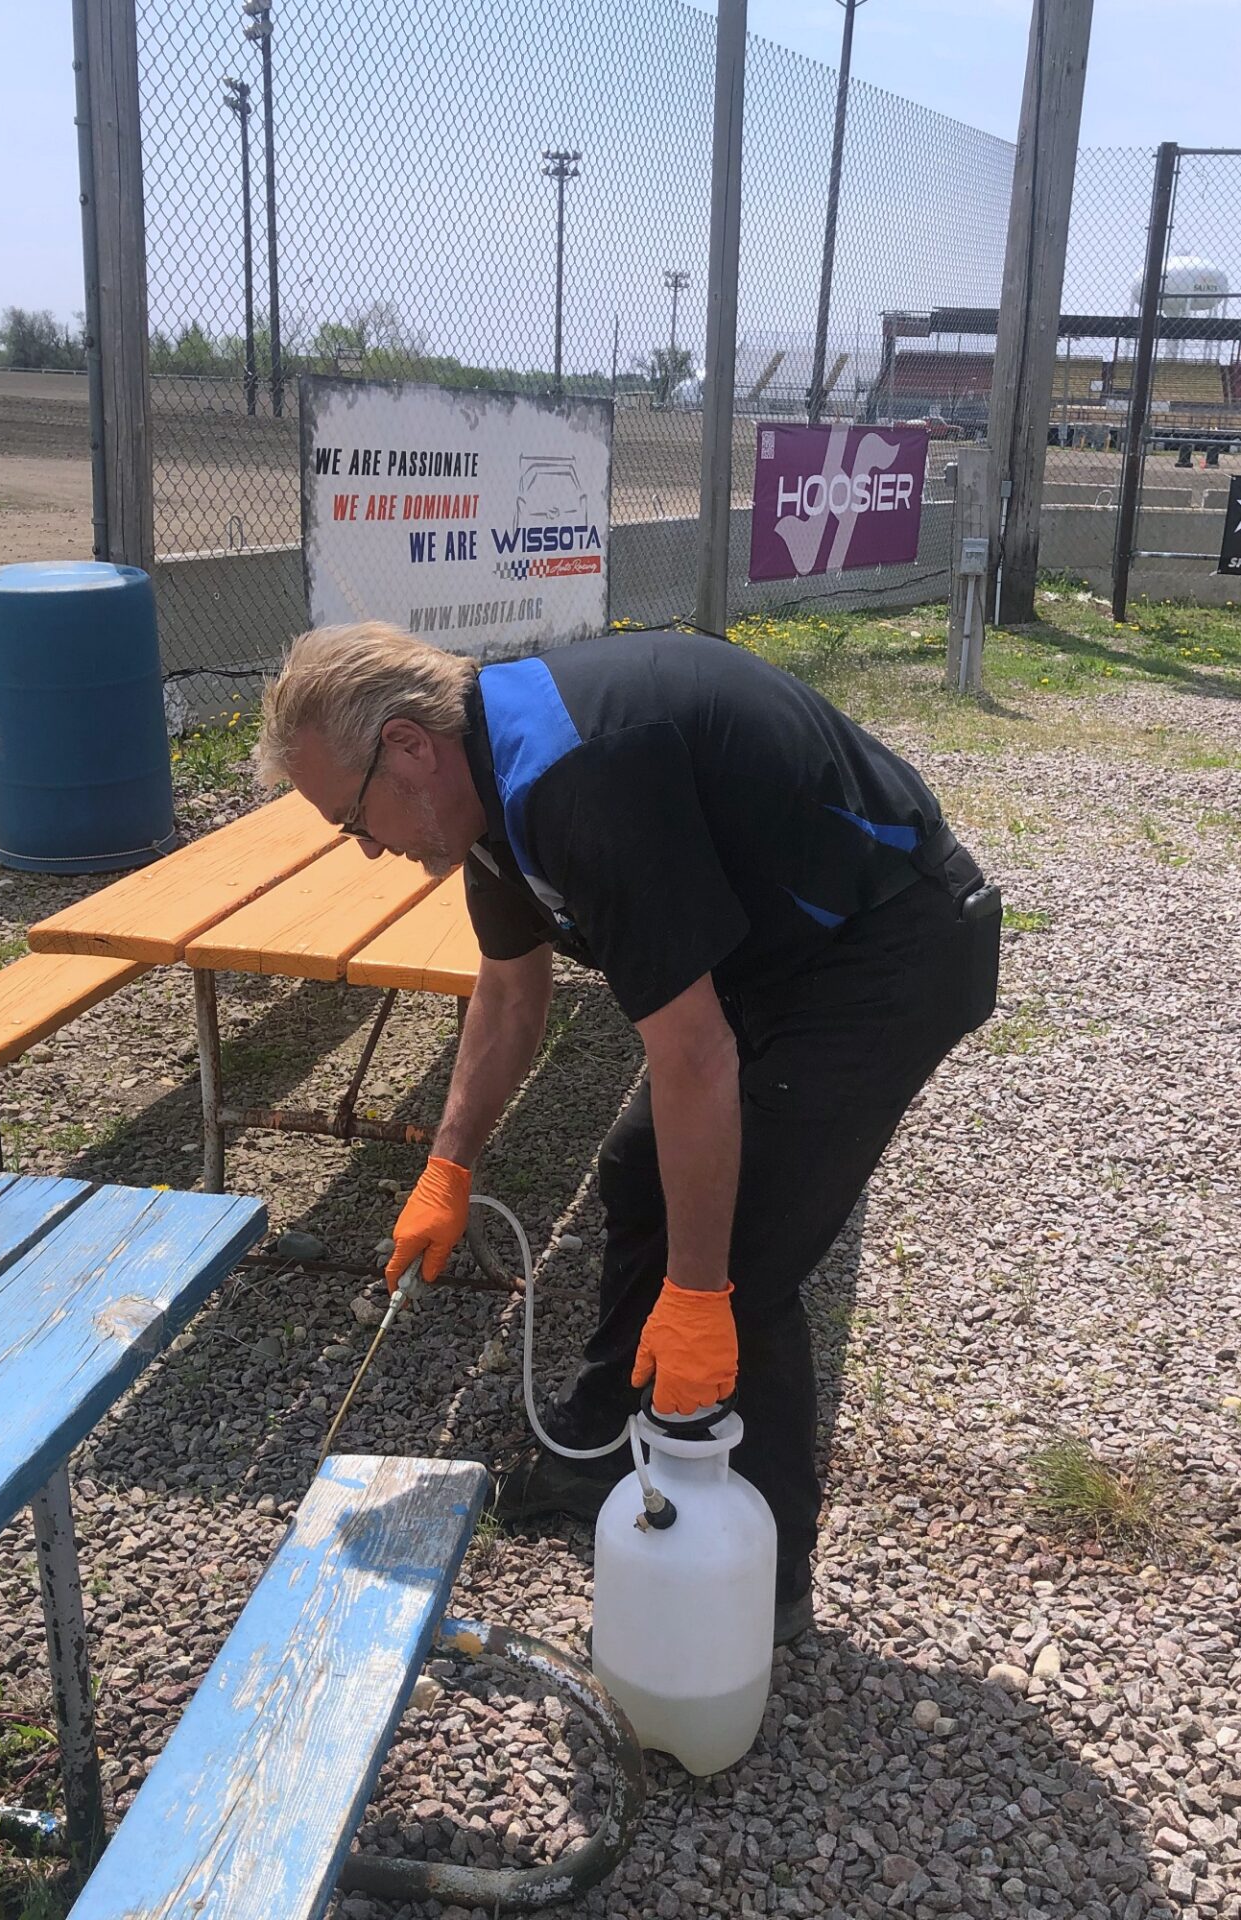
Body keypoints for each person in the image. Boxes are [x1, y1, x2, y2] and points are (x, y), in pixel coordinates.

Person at [256, 620, 1000, 1645]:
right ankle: (601, 1446)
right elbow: (509, 996)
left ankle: (761, 1588)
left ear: (406, 745)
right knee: (638, 1172)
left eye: (353, 818)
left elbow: (692, 1054)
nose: (371, 846)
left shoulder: (575, 778)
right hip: (778, 955)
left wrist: (694, 1292)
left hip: (888, 948)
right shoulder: (482, 782)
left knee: (741, 1258)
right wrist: (447, 1165)